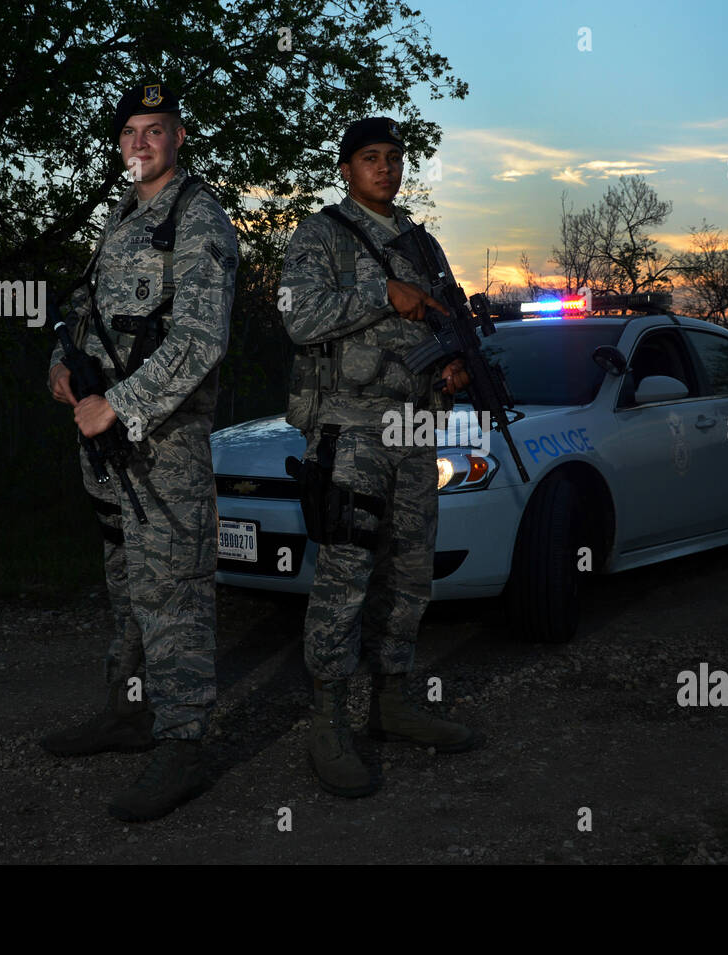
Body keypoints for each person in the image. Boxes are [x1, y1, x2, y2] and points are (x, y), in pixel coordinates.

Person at [41, 82, 239, 822]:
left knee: (173, 593)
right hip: (106, 448)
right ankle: (129, 712)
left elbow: (199, 340)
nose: (141, 143)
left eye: (156, 130)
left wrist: (115, 405)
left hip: (164, 449)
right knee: (125, 583)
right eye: (131, 131)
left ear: (179, 137)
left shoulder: (199, 218)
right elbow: (83, 314)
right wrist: (62, 372)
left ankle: (184, 744)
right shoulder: (121, 217)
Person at [280, 117, 484, 798]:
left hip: (413, 428)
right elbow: (297, 317)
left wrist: (454, 364)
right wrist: (380, 293)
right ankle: (329, 720)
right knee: (346, 573)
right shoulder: (322, 235)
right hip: (350, 428)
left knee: (409, 568)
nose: (386, 169)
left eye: (394, 158)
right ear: (346, 168)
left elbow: (445, 315)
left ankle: (392, 700)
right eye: (371, 158)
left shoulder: (424, 243)